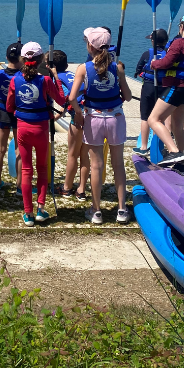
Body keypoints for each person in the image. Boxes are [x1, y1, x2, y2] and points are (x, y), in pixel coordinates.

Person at [69, 27, 132, 225]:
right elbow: (128, 96)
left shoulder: (83, 68)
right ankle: (122, 209)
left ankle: (96, 211)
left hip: (93, 118)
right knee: (118, 164)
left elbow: (72, 97)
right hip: (115, 118)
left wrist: (78, 113)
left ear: (90, 46)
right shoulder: (118, 67)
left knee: (96, 165)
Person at [6, 42, 66, 227]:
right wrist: (56, 77)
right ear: (41, 61)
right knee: (42, 168)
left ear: (22, 59)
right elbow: (61, 99)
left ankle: (28, 213)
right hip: (41, 129)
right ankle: (40, 208)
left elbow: (9, 106)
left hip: (23, 128)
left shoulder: (15, 80)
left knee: (26, 170)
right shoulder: (45, 80)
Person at [147, 14, 184, 165]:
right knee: (177, 127)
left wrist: (154, 64)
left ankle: (173, 152)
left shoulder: (180, 43)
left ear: (182, 27)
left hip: (176, 86)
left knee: (153, 119)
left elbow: (166, 62)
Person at [52, 50, 90, 200]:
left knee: (73, 154)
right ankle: (81, 190)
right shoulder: (71, 74)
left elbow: (66, 99)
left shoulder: (58, 80)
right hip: (90, 113)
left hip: (78, 116)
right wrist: (57, 116)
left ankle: (66, 188)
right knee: (84, 154)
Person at [133, 29, 168, 156]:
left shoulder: (147, 53)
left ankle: (143, 147)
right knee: (159, 118)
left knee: (145, 117)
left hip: (149, 87)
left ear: (153, 41)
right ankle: (159, 146)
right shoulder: (169, 54)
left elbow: (138, 67)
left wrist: (138, 73)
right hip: (164, 88)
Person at [0, 42, 22, 192]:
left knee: (0, 149)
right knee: (19, 150)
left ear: (6, 57)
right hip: (18, 113)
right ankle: (20, 186)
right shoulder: (23, 76)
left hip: (2, 111)